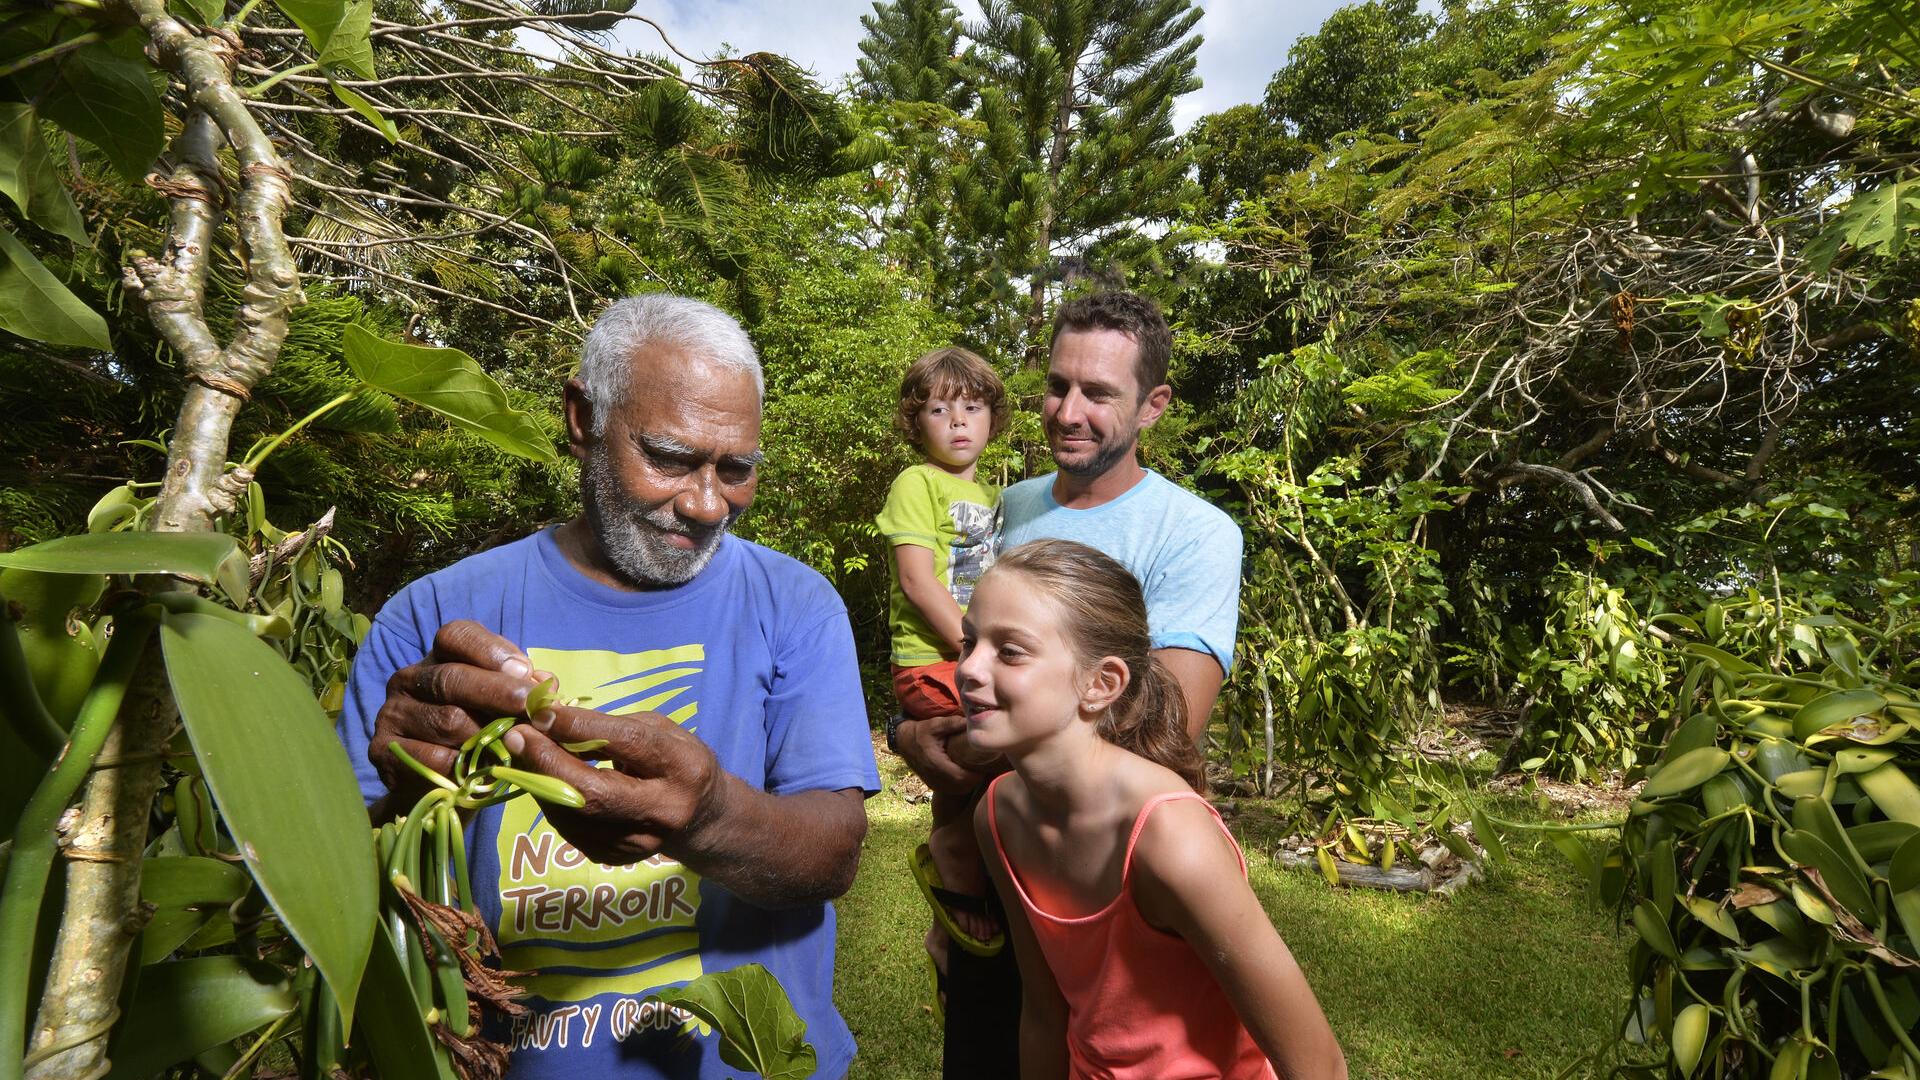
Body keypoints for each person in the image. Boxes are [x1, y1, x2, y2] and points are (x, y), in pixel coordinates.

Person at [337, 294, 880, 1080]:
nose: (704, 504)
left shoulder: (794, 604)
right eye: (668, 455)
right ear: (581, 417)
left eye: (736, 470)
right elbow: (341, 888)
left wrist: (708, 814)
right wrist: (402, 788)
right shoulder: (432, 616)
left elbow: (833, 852)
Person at [891, 290, 1244, 1075]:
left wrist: (965, 749)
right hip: (998, 880)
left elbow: (1166, 730)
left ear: (1154, 405)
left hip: (1107, 897)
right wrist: (908, 735)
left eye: (1099, 394)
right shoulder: (1002, 507)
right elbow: (957, 650)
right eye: (1057, 386)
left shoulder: (1194, 535)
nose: (1068, 411)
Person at [964, 539, 1345, 1080]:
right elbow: (1046, 1013)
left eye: (1010, 651)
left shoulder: (1170, 837)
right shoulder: (997, 816)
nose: (969, 669)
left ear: (1101, 684)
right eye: (968, 642)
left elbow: (1319, 1065)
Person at [873, 347, 1010, 1003]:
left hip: (968, 654)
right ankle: (954, 859)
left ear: (992, 419)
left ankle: (973, 867)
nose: (958, 422)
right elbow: (916, 579)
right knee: (1002, 745)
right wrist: (975, 649)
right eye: (939, 409)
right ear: (914, 420)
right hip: (934, 658)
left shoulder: (990, 496)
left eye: (972, 408)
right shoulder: (916, 484)